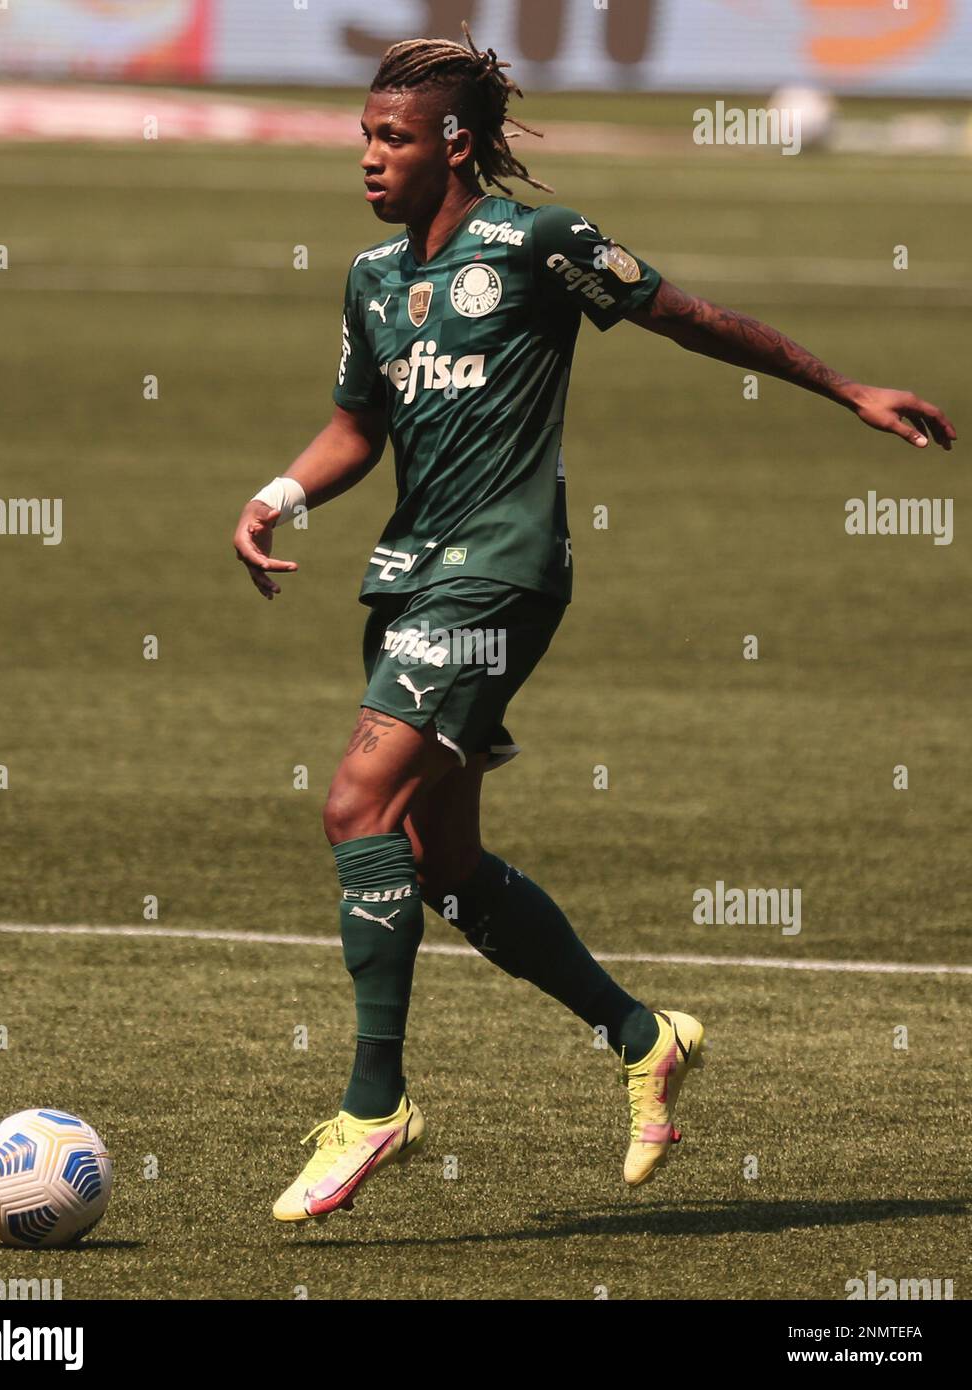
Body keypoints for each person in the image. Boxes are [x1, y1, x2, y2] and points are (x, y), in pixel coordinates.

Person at [232, 26, 955, 1223]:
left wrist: (844, 388)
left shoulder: (538, 243)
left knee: (356, 806)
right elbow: (357, 426)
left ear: (453, 143)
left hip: (502, 575)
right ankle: (641, 1036)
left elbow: (688, 316)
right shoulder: (371, 278)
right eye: (364, 134)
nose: (367, 156)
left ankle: (374, 1106)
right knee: (438, 860)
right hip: (408, 575)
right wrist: (274, 495)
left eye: (392, 138)